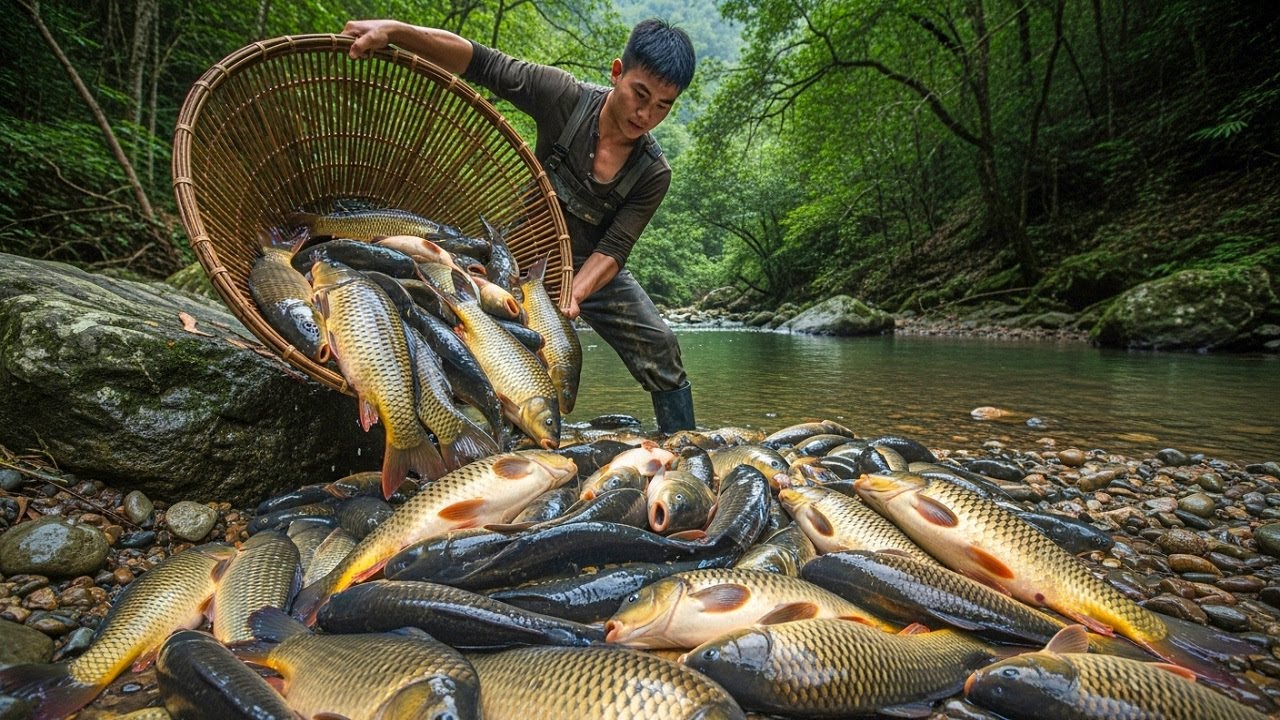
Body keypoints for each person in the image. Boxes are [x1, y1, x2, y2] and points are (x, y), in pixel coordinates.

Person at [341, 18, 698, 434]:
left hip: (591, 271)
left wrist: (571, 295)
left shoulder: (654, 172)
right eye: (640, 94)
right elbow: (480, 62)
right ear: (617, 72)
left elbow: (615, 248)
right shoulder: (563, 97)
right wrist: (395, 32)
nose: (646, 114)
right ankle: (459, 428)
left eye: (663, 106)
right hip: (521, 252)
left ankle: (686, 447)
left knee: (660, 344)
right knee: (468, 329)